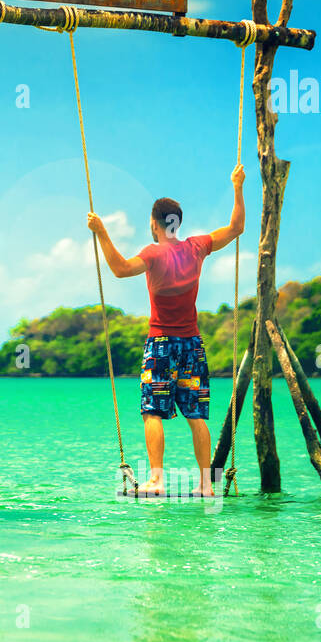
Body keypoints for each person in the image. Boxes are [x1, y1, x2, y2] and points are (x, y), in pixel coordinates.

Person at [86, 166, 246, 496]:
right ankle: (206, 485)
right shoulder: (197, 247)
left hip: (160, 344)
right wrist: (237, 186)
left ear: (155, 223)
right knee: (195, 413)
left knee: (152, 412)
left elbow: (118, 269)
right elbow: (237, 227)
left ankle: (157, 480)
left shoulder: (153, 253)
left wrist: (101, 231)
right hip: (192, 345)